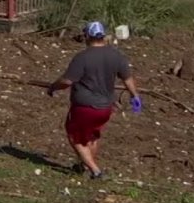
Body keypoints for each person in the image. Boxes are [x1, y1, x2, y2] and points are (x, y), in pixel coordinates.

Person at [46, 21, 141, 179]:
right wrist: (135, 96)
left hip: (85, 107)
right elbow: (127, 78)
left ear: (87, 36)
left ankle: (95, 171)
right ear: (103, 36)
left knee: (74, 136)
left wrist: (53, 87)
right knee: (92, 136)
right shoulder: (116, 55)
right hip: (105, 108)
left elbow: (67, 81)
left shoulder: (83, 58)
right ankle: (84, 165)